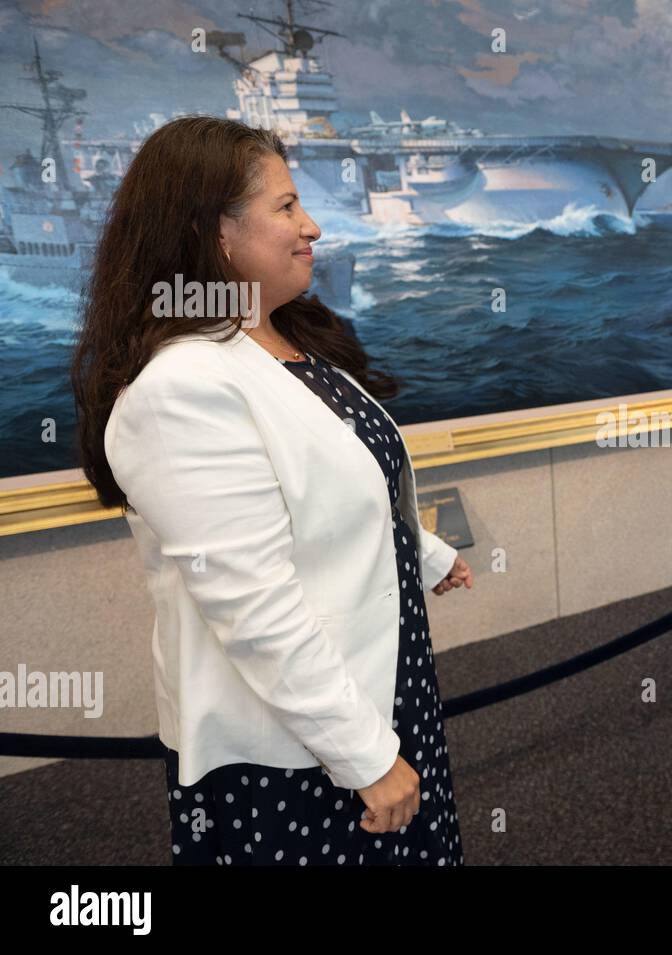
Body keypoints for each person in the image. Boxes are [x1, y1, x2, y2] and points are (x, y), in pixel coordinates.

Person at [71, 116, 474, 866]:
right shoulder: (180, 390)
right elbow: (253, 602)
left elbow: (333, 485)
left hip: (377, 693)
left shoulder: (289, 344)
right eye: (286, 206)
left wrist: (422, 551)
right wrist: (364, 755)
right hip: (295, 752)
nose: (311, 224)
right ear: (215, 231)